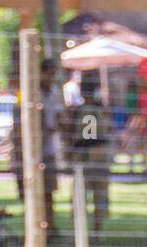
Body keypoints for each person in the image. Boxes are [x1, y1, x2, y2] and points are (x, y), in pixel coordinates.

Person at [71, 80, 112, 235]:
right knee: (94, 195)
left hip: (89, 158)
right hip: (94, 158)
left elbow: (89, 136)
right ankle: (94, 231)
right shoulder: (98, 110)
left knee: (90, 195)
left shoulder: (90, 111)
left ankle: (94, 231)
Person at [40, 58, 63, 231]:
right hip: (34, 148)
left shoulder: (54, 91)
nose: (52, 77)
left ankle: (51, 224)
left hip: (50, 147)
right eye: (50, 73)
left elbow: (58, 117)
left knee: (49, 189)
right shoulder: (32, 92)